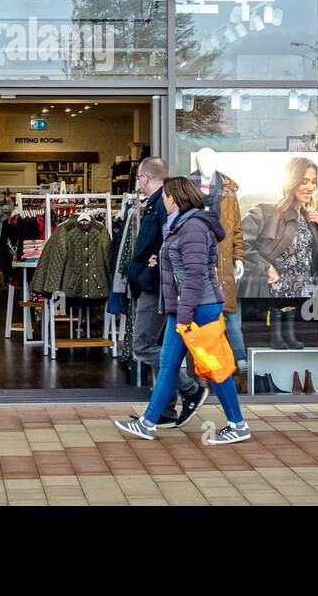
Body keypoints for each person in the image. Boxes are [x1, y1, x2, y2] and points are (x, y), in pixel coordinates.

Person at [116, 177, 250, 445]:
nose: (163, 202)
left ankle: (238, 425)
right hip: (185, 308)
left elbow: (195, 276)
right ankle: (148, 422)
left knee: (215, 368)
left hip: (198, 310)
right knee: (168, 365)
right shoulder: (181, 226)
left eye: (165, 198)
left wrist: (185, 315)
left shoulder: (192, 228)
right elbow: (186, 268)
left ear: (174, 199)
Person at [125, 158, 206, 428]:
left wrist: (156, 263)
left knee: (143, 344)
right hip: (157, 284)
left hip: (157, 287)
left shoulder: (163, 203)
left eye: (138, 178)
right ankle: (167, 409)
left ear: (144, 178)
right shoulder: (159, 203)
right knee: (157, 344)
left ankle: (190, 390)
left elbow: (171, 243)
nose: (138, 183)